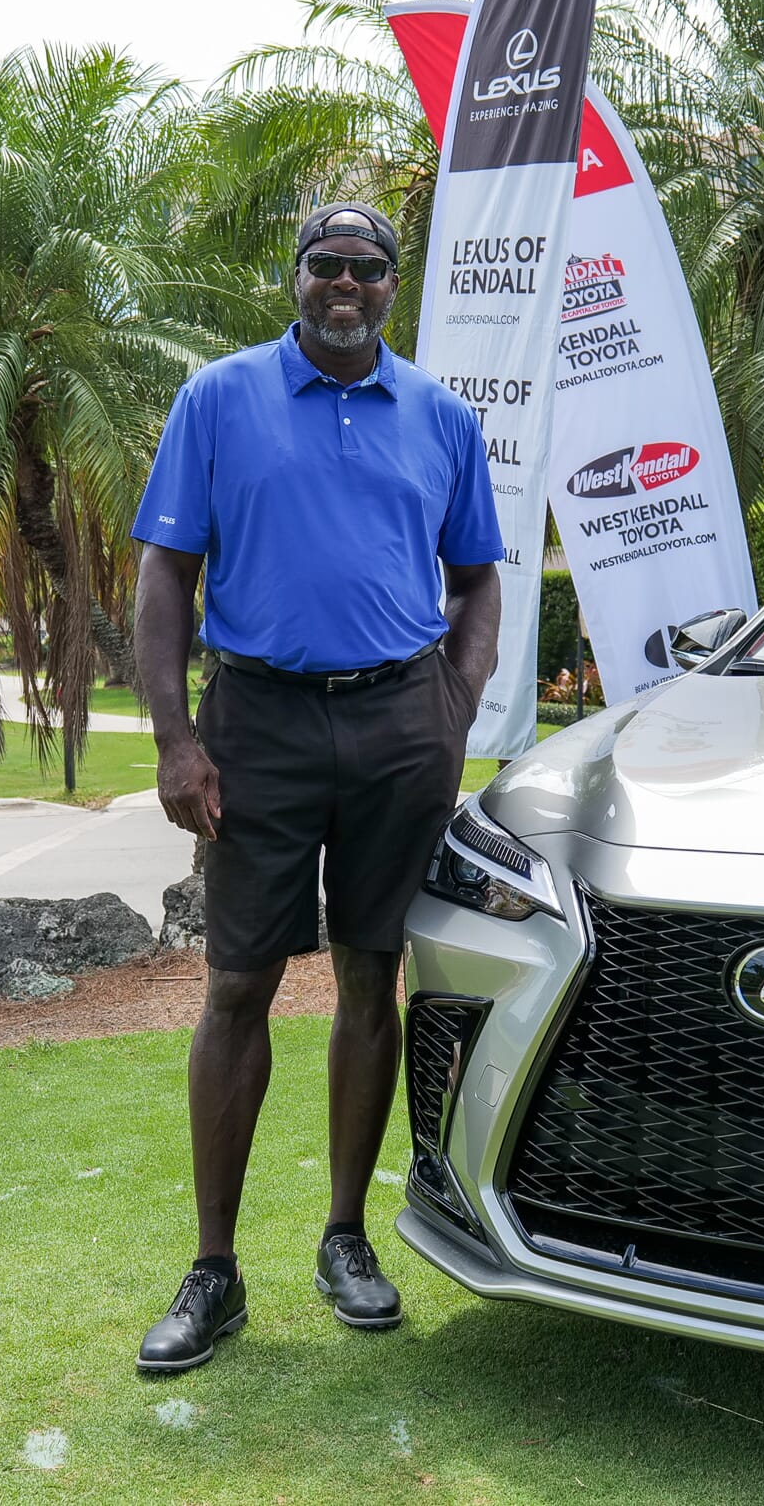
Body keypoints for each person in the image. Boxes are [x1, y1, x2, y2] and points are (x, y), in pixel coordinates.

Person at [129, 202, 504, 1373]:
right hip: (260, 723)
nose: (345, 283)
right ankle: (213, 1270)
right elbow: (165, 576)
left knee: (370, 975)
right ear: (294, 278)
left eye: (367, 269)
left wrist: (452, 703)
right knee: (237, 984)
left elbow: (477, 581)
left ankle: (345, 1240)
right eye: (325, 266)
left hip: (399, 721)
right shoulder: (219, 399)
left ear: (394, 286)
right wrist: (177, 741)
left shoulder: (440, 417)